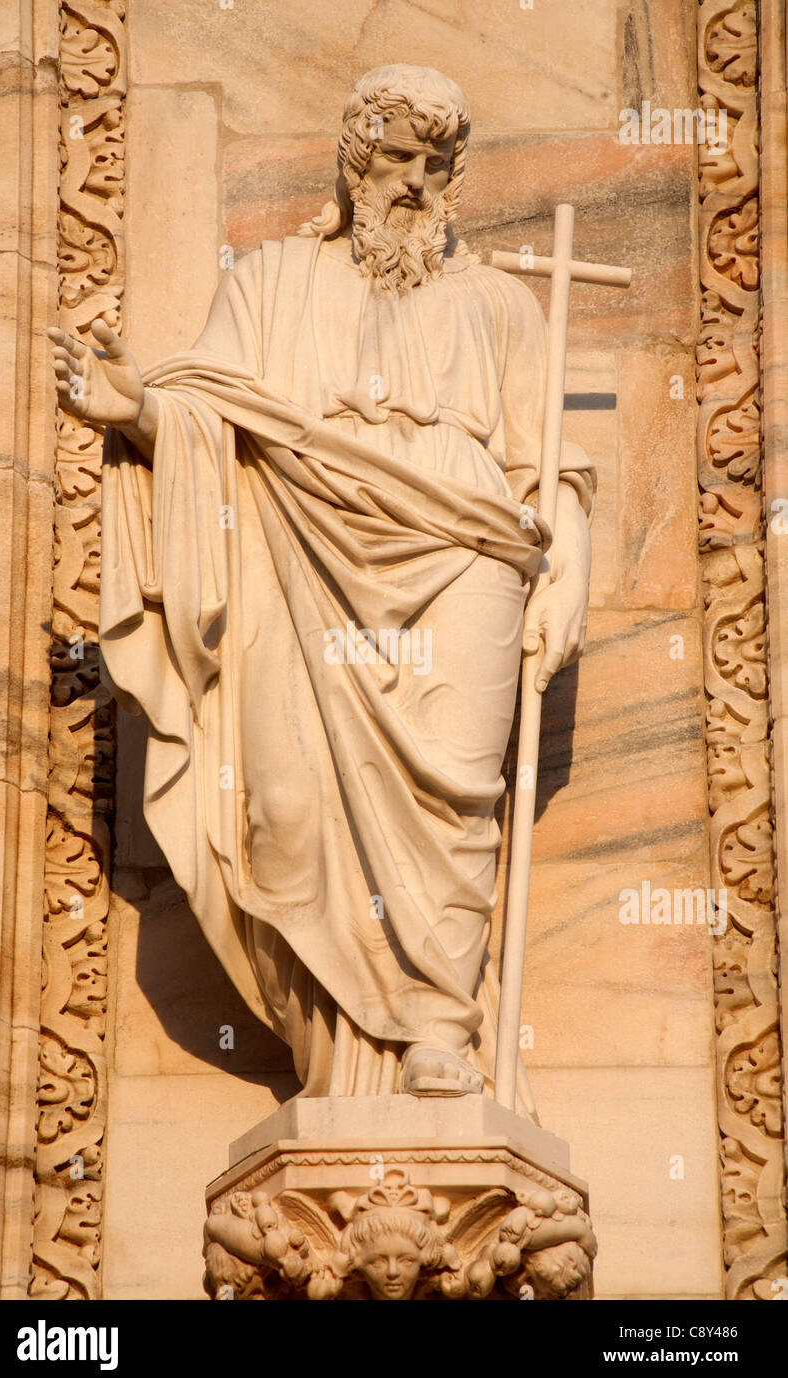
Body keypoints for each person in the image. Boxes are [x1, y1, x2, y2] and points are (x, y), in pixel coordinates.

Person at [48, 64, 594, 1103]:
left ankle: (439, 1025)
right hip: (300, 558)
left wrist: (564, 561)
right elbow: (209, 416)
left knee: (455, 797)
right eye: (395, 159)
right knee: (284, 803)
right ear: (352, 162)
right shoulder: (269, 284)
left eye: (436, 167)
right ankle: (334, 1044)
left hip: (464, 555)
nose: (415, 184)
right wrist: (135, 409)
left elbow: (547, 464)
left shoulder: (499, 306)